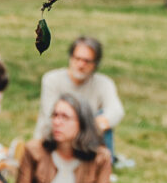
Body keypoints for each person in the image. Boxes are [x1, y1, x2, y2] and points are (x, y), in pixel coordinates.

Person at [35, 36, 129, 167]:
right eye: (77, 59)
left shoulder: (103, 83)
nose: (81, 65)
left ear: (96, 64)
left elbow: (116, 111)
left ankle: (104, 164)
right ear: (70, 58)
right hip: (54, 138)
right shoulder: (51, 80)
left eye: (87, 61)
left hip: (85, 139)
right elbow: (50, 114)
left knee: (104, 118)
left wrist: (97, 123)